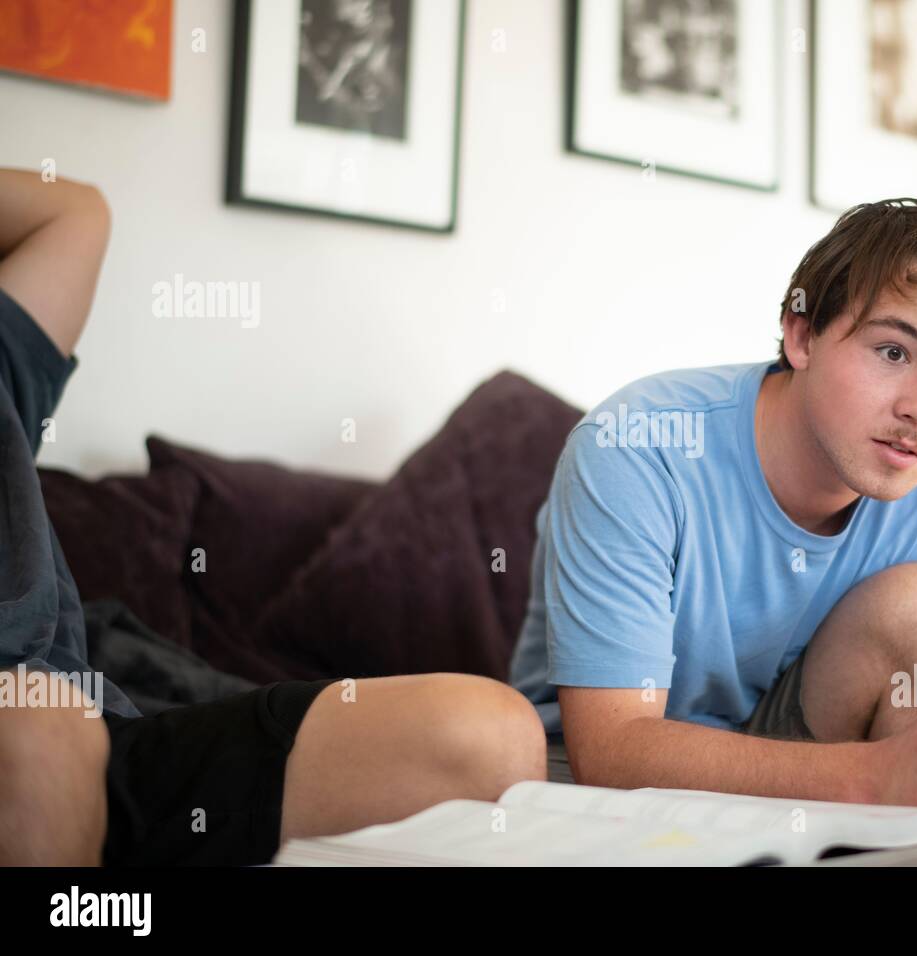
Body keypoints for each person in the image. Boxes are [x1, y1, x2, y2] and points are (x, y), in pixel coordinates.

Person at [0, 168, 546, 866]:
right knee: (34, 720)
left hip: (107, 728)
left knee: (491, 734)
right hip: (27, 725)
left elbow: (75, 213)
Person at [511, 199, 917, 816]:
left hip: (802, 789)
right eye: (894, 352)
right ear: (802, 334)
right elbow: (612, 752)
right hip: (591, 792)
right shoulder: (641, 446)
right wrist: (876, 776)